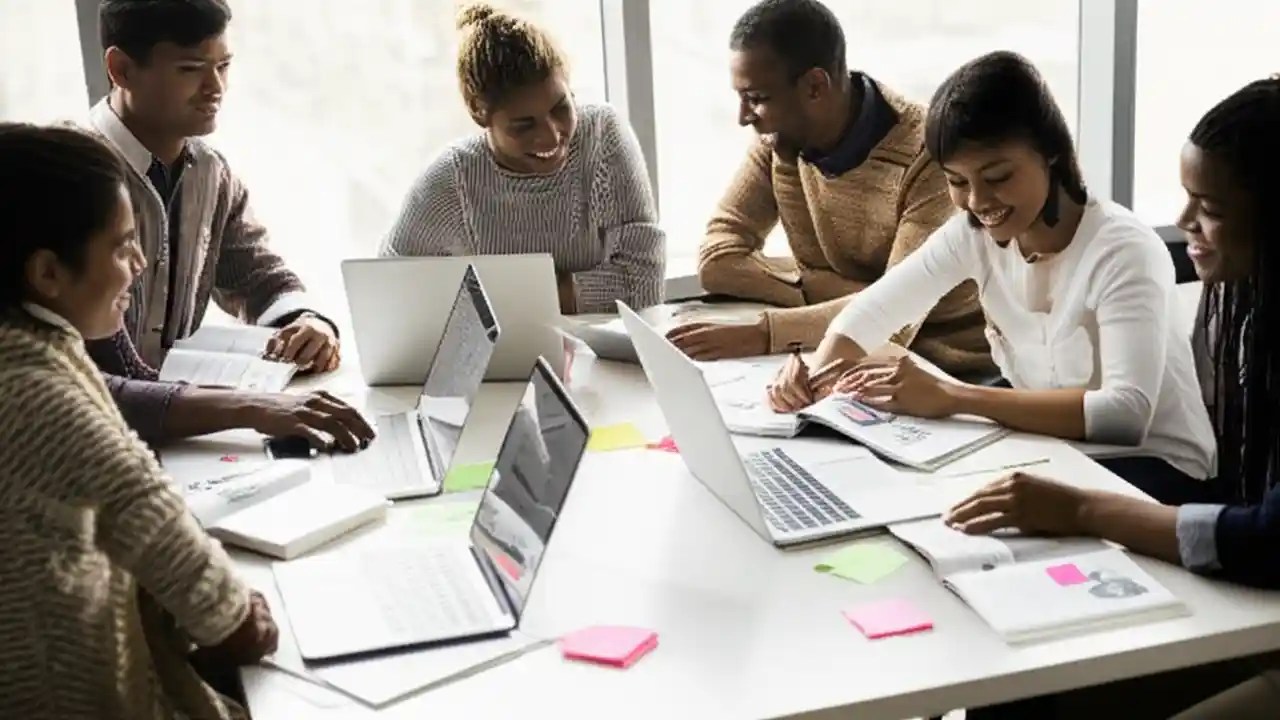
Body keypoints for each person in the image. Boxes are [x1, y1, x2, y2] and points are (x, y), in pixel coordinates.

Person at [947, 75, 1280, 720]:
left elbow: (1269, 537)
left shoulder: (1123, 249)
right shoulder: (1246, 307)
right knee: (1018, 684)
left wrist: (1085, 511)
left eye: (1208, 206)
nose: (1184, 225)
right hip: (1259, 606)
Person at [768, 51, 1215, 502]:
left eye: (997, 176)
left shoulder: (1122, 249)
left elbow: (1125, 414)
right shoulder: (973, 233)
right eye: (957, 182)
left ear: (1051, 152)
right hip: (1058, 453)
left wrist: (955, 396)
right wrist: (815, 383)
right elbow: (875, 310)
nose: (978, 200)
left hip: (1159, 470)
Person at [0, 122, 276, 718]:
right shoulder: (31, 391)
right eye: (122, 245)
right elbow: (229, 618)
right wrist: (239, 610)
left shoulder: (31, 341)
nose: (140, 263)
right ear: (47, 273)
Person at [88, 0, 373, 450]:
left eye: (223, 66)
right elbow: (79, 385)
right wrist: (252, 407)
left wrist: (307, 324)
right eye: (190, 69)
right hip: (90, 443)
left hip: (172, 432)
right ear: (121, 69)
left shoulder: (210, 172)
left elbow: (255, 272)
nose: (214, 87)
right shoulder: (66, 180)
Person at [665, 0, 992, 377]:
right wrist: (839, 290)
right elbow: (717, 260)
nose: (743, 118)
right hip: (849, 355)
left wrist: (765, 333)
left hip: (951, 370)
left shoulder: (927, 154)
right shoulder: (781, 141)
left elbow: (894, 320)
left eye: (756, 99)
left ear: (815, 87)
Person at [381, 2, 665, 315]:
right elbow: (387, 285)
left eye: (560, 108)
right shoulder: (454, 180)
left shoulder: (601, 136)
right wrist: (568, 292)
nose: (551, 136)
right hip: (510, 360)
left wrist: (504, 301)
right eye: (524, 124)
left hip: (605, 356)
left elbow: (644, 283)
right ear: (479, 113)